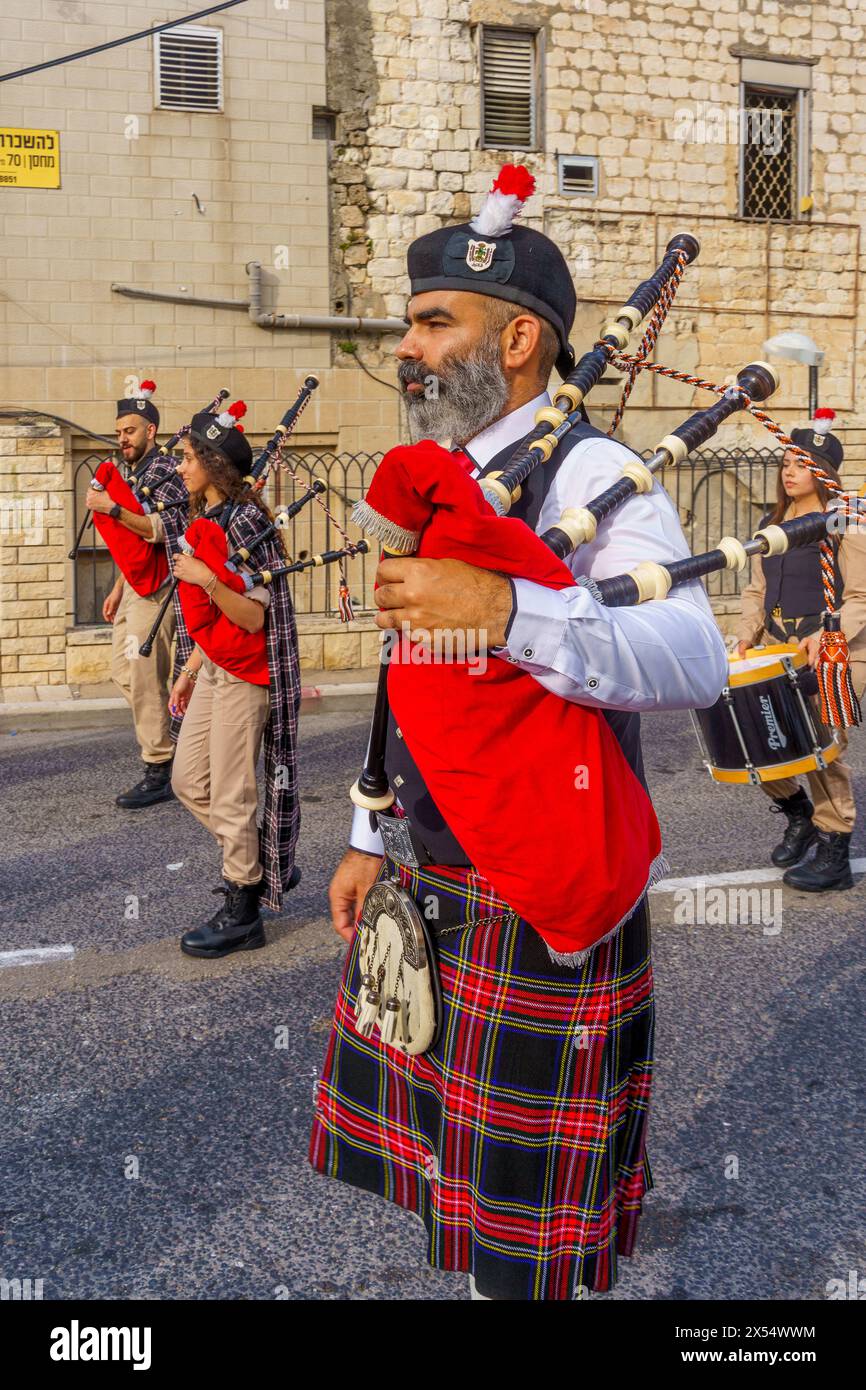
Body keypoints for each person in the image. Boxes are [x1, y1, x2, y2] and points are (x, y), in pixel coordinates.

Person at [309, 165, 729, 1300]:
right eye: (409, 321)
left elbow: (696, 658)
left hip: (542, 886)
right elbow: (412, 669)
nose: (408, 346)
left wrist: (506, 607)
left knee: (526, 1236)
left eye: (433, 322)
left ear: (519, 344)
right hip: (434, 862)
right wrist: (365, 825)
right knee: (460, 1174)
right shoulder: (435, 479)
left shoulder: (591, 472)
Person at [166, 404, 301, 958]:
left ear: (213, 464)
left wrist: (204, 576)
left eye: (187, 458)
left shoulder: (247, 523)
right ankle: (260, 862)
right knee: (187, 781)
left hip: (248, 676)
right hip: (215, 669)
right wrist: (190, 669)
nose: (179, 467)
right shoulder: (208, 521)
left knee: (231, 795)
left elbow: (250, 616)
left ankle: (244, 910)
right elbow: (213, 622)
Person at [735, 411, 866, 890]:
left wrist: (827, 636)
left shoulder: (847, 522)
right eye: (787, 462)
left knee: (821, 750)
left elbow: (861, 597)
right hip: (776, 646)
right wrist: (748, 633)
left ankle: (835, 849)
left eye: (802, 464)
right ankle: (799, 814)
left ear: (824, 473)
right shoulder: (772, 523)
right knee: (762, 742)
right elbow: (756, 589)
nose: (790, 471)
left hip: (834, 650)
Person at [87, 381, 191, 809]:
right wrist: (117, 586)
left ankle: (160, 764)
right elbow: (130, 547)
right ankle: (176, 737)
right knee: (123, 672)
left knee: (145, 674)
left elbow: (159, 530)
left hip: (160, 588)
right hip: (134, 586)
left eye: (129, 431)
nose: (122, 439)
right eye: (118, 433)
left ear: (150, 431)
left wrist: (111, 507)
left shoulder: (168, 472)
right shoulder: (133, 474)